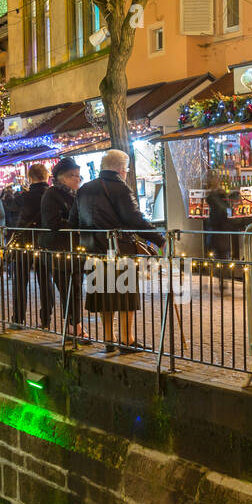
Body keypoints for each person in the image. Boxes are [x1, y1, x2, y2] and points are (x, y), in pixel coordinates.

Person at [69, 148, 164, 352]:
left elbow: (73, 221)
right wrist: (159, 239)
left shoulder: (84, 189)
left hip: (93, 250)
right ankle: (127, 339)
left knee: (104, 295)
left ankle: (109, 339)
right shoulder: (120, 188)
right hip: (120, 249)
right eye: (127, 169)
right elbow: (134, 219)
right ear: (122, 169)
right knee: (125, 295)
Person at [41, 157, 86, 339]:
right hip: (58, 250)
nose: (78, 179)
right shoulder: (52, 194)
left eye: (79, 176)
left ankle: (74, 328)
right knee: (68, 290)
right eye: (74, 176)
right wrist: (75, 224)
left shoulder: (78, 195)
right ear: (62, 178)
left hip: (74, 249)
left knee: (75, 289)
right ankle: (73, 329)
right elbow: (52, 222)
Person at [9, 162, 53, 328]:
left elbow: (11, 211)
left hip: (24, 242)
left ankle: (18, 318)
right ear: (46, 176)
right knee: (45, 280)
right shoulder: (51, 194)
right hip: (44, 242)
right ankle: (46, 319)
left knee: (20, 281)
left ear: (30, 178)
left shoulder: (24, 197)